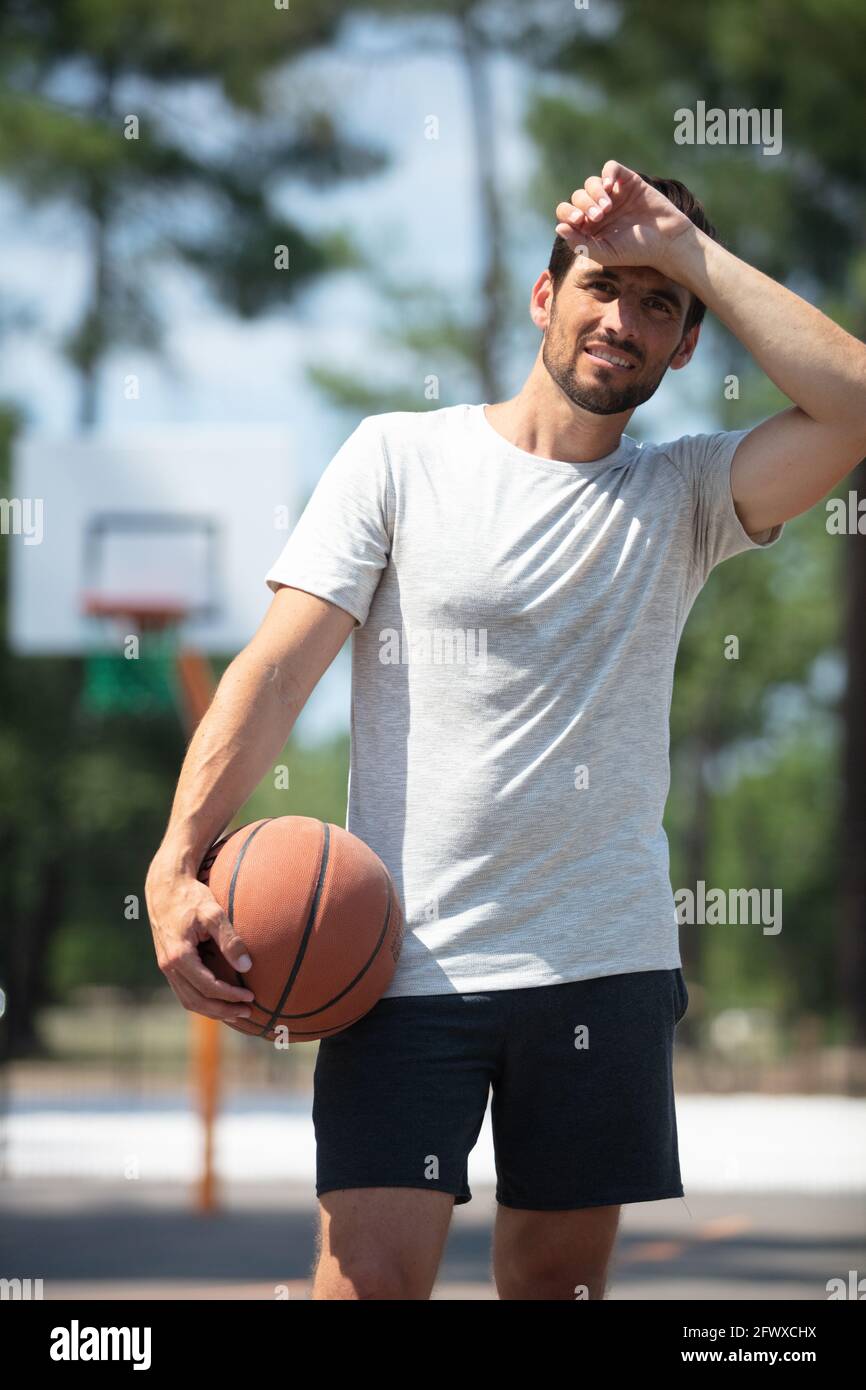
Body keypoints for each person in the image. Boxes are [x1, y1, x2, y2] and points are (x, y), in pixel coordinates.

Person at [145, 161, 866, 1300]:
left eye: (657, 303)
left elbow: (854, 404)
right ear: (544, 299)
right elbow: (278, 668)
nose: (620, 320)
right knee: (365, 1287)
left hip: (600, 964)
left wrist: (693, 253)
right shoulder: (397, 457)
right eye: (599, 286)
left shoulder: (682, 494)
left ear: (686, 344)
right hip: (401, 967)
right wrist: (177, 860)